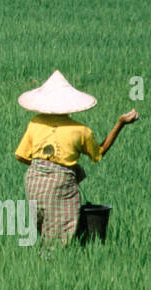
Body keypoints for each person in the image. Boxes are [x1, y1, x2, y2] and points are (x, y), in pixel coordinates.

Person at [14, 70, 138, 245]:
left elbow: (21, 156)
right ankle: (55, 263)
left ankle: (46, 262)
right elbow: (99, 153)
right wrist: (120, 123)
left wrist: (45, 167)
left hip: (34, 182)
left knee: (45, 230)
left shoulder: (35, 122)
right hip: (60, 184)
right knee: (60, 235)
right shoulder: (81, 130)